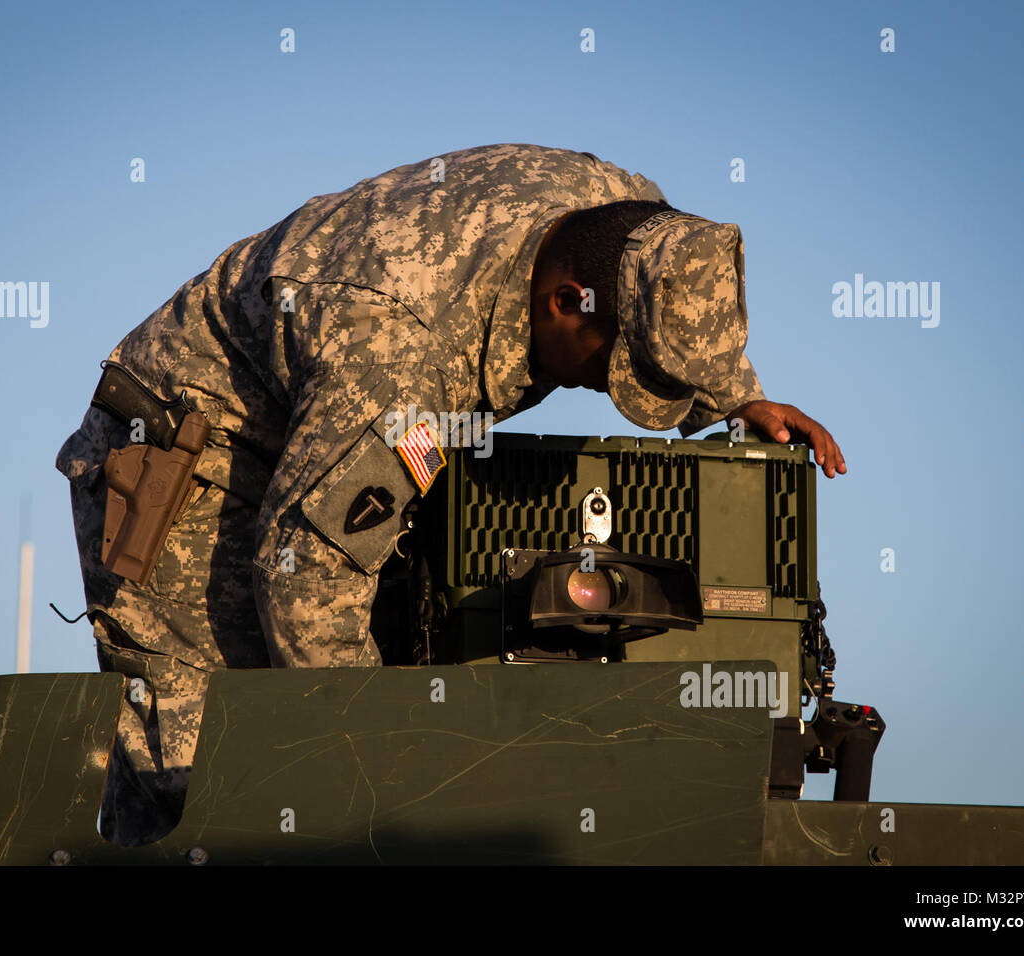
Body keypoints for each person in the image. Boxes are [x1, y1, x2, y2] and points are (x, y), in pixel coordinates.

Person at [54, 143, 847, 845]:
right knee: (212, 773)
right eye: (614, 368)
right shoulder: (401, 357)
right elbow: (305, 578)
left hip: (325, 434)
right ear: (566, 302)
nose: (611, 393)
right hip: (196, 458)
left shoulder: (619, 213)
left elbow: (665, 287)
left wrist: (730, 395)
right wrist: (392, 778)